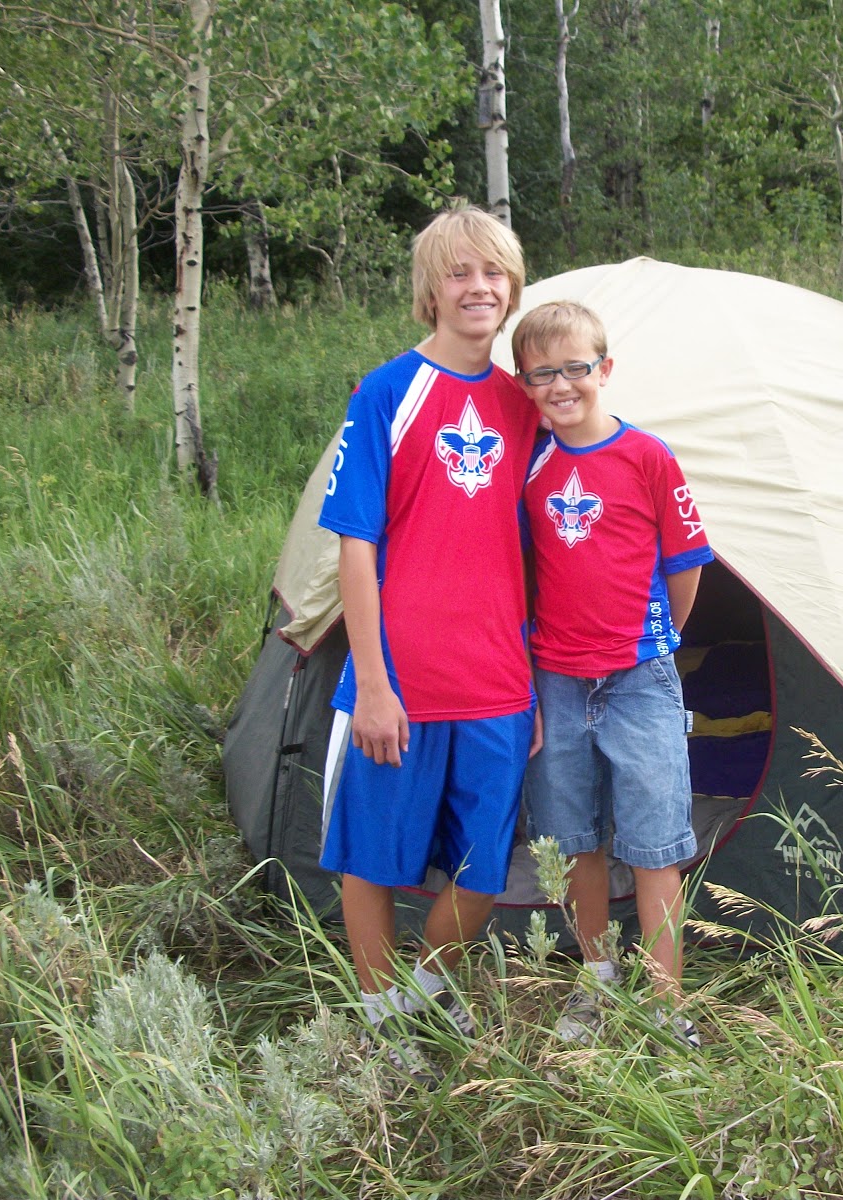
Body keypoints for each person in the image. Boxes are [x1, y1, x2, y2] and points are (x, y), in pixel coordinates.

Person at [318, 204, 541, 1082]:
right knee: (369, 856)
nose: (479, 287)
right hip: (400, 678)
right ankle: (382, 1021)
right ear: (430, 289)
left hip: (496, 677)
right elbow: (355, 544)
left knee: (485, 868)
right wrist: (372, 682)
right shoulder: (385, 393)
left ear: (512, 285)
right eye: (459, 272)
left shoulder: (528, 405)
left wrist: (531, 676)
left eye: (493, 272)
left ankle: (419, 992)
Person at [513, 300, 715, 1048]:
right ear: (525, 383)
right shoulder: (526, 462)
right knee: (574, 842)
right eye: (543, 373)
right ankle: (595, 982)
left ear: (604, 369)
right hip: (556, 681)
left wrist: (661, 639)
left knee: (657, 844)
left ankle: (664, 1005)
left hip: (639, 680)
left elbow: (686, 566)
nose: (562, 384)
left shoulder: (648, 457)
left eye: (575, 368)